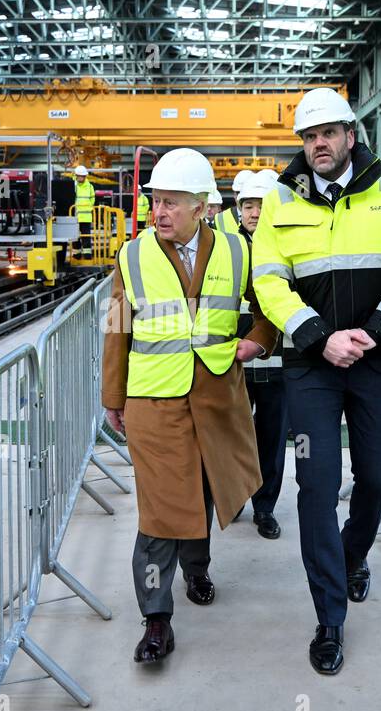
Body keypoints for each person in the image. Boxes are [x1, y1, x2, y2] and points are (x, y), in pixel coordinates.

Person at [252, 87, 381, 676]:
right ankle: (329, 616)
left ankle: (353, 553)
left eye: (328, 134)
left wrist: (380, 329)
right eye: (309, 137)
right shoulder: (282, 199)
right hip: (312, 368)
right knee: (314, 485)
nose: (319, 145)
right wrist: (317, 336)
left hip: (378, 362)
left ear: (350, 136)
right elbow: (268, 279)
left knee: (377, 477)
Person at [102, 148, 279, 664]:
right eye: (156, 201)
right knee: (159, 509)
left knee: (203, 488)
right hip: (153, 400)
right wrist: (112, 396)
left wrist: (260, 340)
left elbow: (267, 307)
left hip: (217, 395)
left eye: (172, 203)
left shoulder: (237, 251)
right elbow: (117, 329)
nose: (159, 212)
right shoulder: (132, 257)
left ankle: (197, 568)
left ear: (202, 207)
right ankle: (156, 619)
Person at [232, 171, 287, 540]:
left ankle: (264, 508)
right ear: (239, 210)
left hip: (278, 359)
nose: (254, 212)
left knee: (272, 437)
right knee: (233, 435)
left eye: (261, 205)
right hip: (233, 359)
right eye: (248, 205)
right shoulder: (226, 248)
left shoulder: (288, 246)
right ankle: (233, 493)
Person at [73, 165, 95, 257]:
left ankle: (87, 254)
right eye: (79, 176)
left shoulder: (90, 186)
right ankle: (77, 254)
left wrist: (88, 208)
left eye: (82, 176)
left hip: (86, 216)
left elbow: (92, 200)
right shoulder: (73, 185)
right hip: (75, 216)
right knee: (75, 236)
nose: (80, 178)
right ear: (76, 175)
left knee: (86, 236)